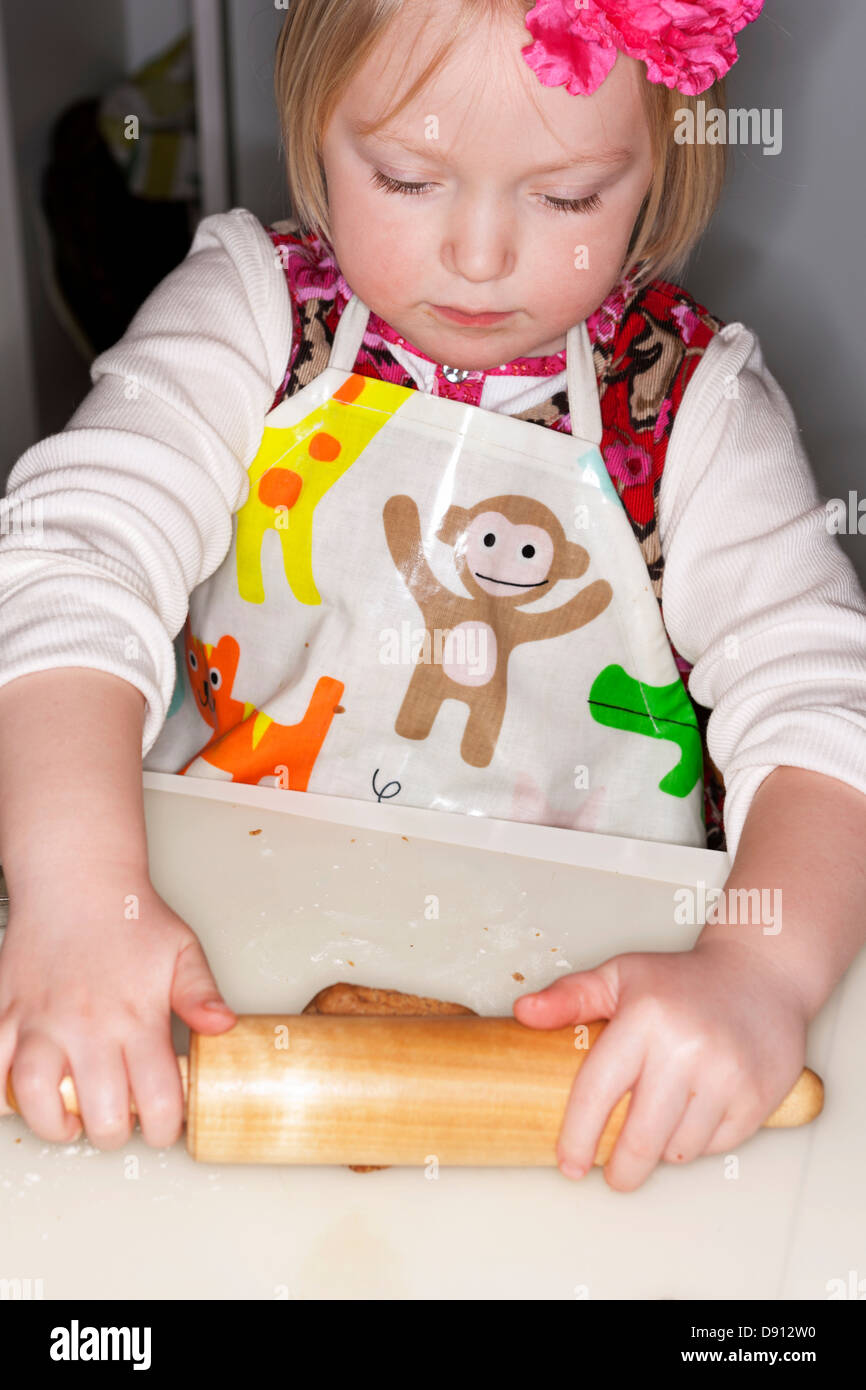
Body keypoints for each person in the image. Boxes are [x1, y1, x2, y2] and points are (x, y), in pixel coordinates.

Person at [1, 0, 864, 1193]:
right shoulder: (254, 317)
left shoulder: (693, 414)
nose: (478, 255)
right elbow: (71, 554)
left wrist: (761, 976)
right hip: (204, 952)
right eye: (405, 177)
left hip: (582, 1025)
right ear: (313, 119)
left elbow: (825, 712)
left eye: (566, 198)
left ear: (663, 153)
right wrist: (78, 893)